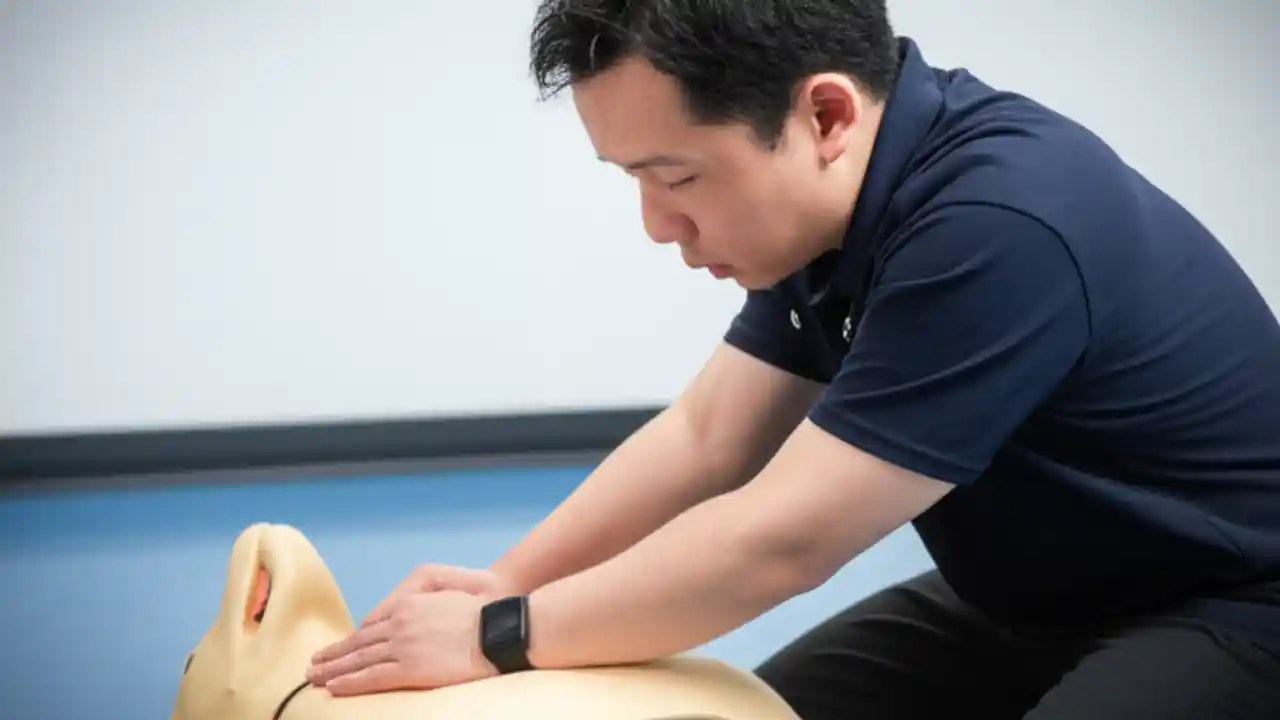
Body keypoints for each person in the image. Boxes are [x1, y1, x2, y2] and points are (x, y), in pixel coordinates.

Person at [306, 1, 1280, 716]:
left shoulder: (997, 223)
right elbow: (708, 437)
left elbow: (780, 542)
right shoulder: (843, 205)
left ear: (825, 117)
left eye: (677, 177)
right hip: (1018, 602)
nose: (657, 225)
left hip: (1230, 603)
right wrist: (504, 584)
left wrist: (497, 638)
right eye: (634, 180)